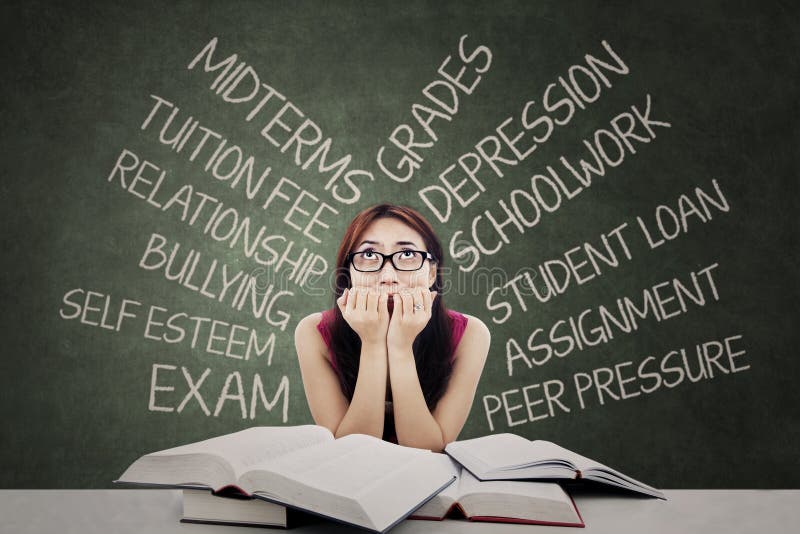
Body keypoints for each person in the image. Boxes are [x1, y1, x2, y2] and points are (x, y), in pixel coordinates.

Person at [294, 203, 490, 452]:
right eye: (368, 255)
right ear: (350, 273)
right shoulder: (313, 332)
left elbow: (429, 449)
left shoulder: (471, 335)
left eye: (407, 255)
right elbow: (352, 451)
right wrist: (372, 342)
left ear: (431, 272)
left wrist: (400, 345)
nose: (388, 275)